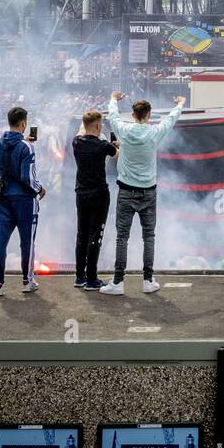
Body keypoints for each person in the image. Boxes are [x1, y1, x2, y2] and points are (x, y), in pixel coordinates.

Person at [100, 91, 184, 295]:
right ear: (148, 115)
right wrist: (180, 104)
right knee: (149, 237)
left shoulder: (123, 130)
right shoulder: (154, 133)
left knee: (122, 237)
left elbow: (113, 115)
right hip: (149, 192)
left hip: (126, 191)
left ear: (133, 114)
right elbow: (171, 119)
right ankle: (148, 280)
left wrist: (113, 99)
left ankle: (118, 282)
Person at [0, 106, 45, 297]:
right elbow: (27, 177)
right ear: (23, 123)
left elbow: (3, 163)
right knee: (27, 242)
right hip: (24, 200)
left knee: (1, 241)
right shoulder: (26, 147)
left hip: (4, 196)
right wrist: (39, 188)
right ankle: (27, 280)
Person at [72, 108, 117, 290]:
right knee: (95, 236)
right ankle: (92, 279)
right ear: (98, 125)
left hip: (81, 193)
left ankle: (80, 277)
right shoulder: (103, 145)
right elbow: (116, 155)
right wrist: (115, 144)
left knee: (81, 235)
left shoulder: (76, 142)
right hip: (99, 193)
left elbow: (81, 131)